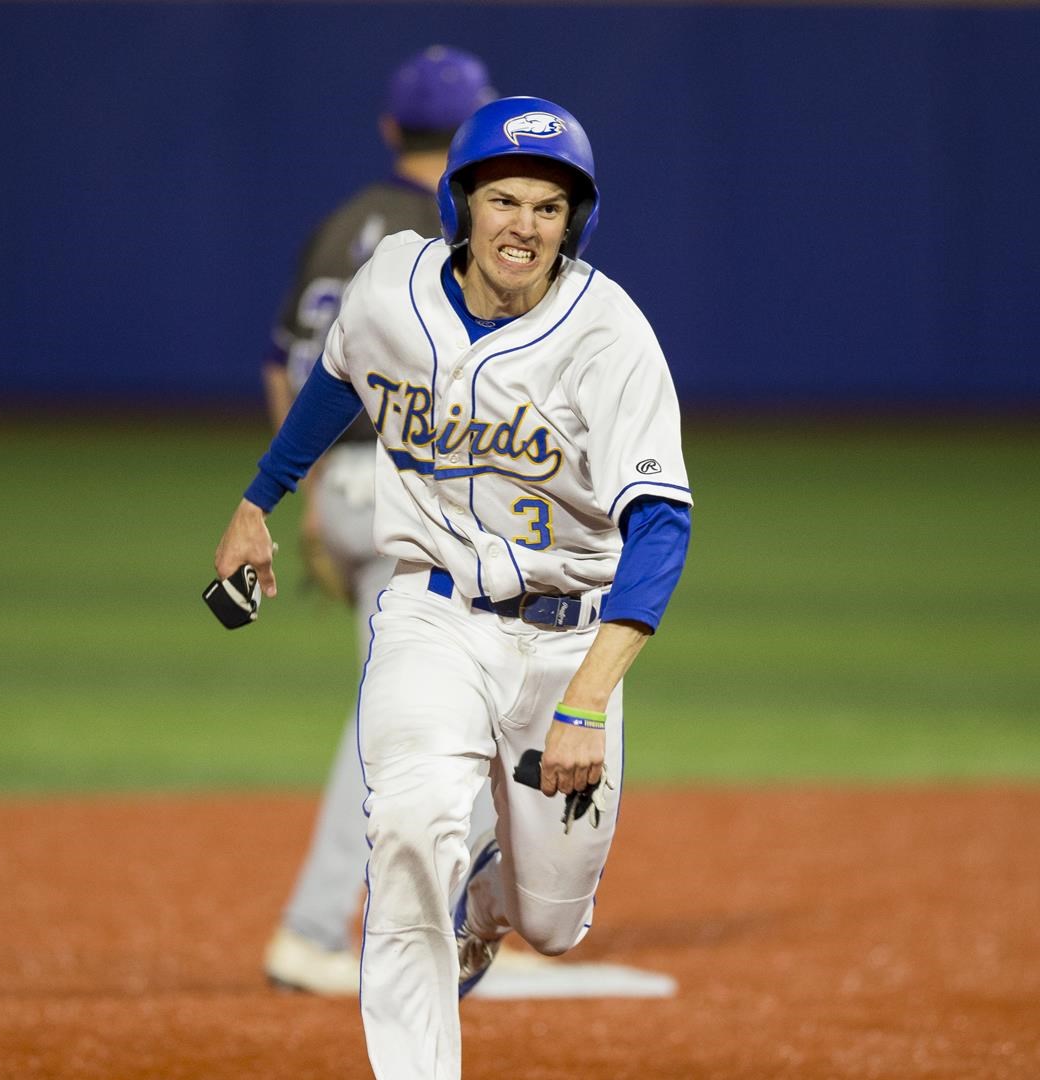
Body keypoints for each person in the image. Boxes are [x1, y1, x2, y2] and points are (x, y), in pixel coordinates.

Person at [213, 95, 693, 1080]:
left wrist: (586, 702)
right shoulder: (393, 282)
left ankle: (493, 903)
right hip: (429, 616)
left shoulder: (609, 337)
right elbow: (341, 376)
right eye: (505, 199)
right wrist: (261, 497)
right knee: (411, 835)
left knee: (553, 922)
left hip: (567, 642)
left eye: (550, 208)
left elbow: (663, 529)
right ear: (461, 203)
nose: (525, 225)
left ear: (575, 222)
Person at [259, 46, 501, 997]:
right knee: (411, 715)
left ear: (391, 130)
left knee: (413, 703)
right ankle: (323, 926)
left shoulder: (341, 226)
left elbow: (289, 364)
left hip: (347, 485)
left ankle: (440, 898)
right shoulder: (456, 232)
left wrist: (312, 496)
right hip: (417, 492)